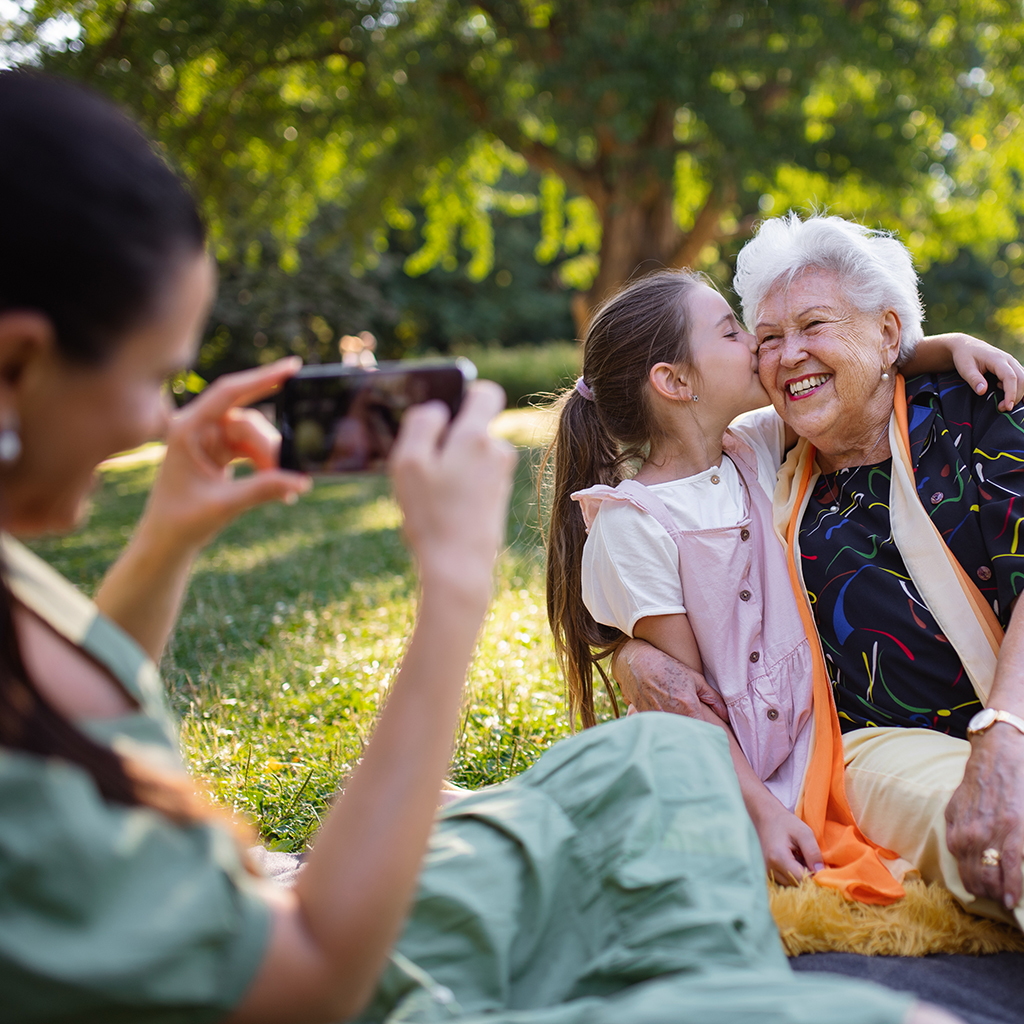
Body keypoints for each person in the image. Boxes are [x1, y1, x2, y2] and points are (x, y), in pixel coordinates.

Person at [0, 72, 957, 1024]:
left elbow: (84, 709)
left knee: (664, 773)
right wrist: (452, 581)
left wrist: (168, 531)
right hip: (348, 977)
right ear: (18, 364)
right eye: (158, 375)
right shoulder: (636, 515)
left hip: (306, 915)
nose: (156, 419)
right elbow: (307, 982)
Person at [544, 268, 1023, 903]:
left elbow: (851, 372)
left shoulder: (753, 448)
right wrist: (762, 813)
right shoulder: (634, 527)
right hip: (742, 773)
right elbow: (689, 707)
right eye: (736, 332)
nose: (760, 347)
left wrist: (946, 343)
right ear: (675, 381)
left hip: (814, 743)